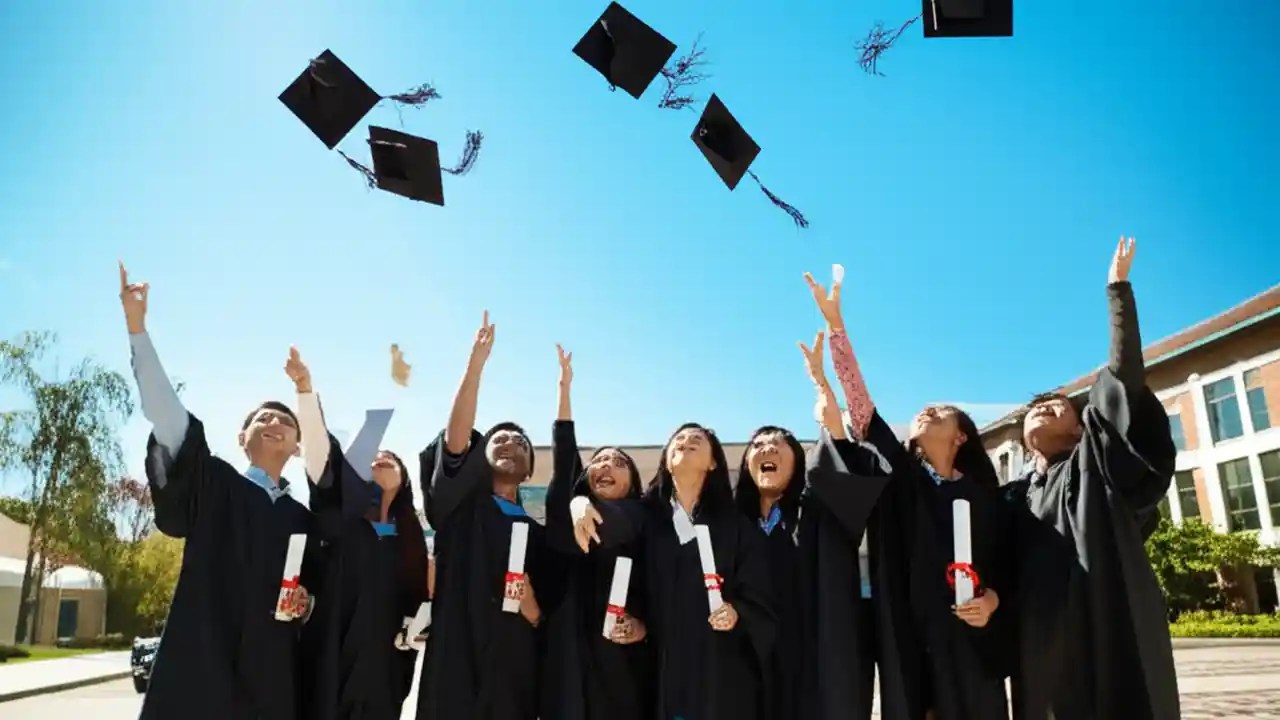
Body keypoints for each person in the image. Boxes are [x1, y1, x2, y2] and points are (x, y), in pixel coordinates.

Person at [803, 266, 1013, 720]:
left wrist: (992, 600)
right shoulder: (903, 478)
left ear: (961, 437)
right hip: (909, 635)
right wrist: (837, 329)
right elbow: (861, 409)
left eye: (938, 412)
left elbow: (1005, 565)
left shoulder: (986, 496)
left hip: (970, 640)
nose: (924, 412)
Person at [118, 262, 316, 720]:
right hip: (200, 674)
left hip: (270, 682)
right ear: (240, 437)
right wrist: (137, 330)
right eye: (261, 418)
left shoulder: (303, 519)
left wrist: (306, 602)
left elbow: (320, 593)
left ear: (297, 444)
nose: (274, 423)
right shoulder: (216, 486)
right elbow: (169, 418)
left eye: (286, 421)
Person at [1005, 238, 1178, 720]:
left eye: (1057, 405)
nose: (1043, 408)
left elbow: (1124, 379)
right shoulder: (1011, 497)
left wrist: (1117, 292)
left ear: (1084, 427)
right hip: (1039, 650)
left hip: (1105, 626)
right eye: (1034, 408)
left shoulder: (1094, 465)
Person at [733, 347, 891, 719]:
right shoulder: (731, 525)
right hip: (747, 666)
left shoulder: (818, 510)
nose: (766, 448)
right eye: (757, 445)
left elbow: (839, 460)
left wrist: (823, 386)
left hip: (815, 662)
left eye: (777, 443)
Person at [288, 345, 429, 720]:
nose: (381, 457)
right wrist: (305, 390)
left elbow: (418, 606)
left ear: (404, 480)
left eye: (392, 457)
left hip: (383, 678)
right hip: (327, 670)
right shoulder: (338, 519)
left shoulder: (411, 541)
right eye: (374, 456)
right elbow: (320, 456)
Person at [415, 311, 544, 720]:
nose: (508, 442)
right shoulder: (460, 509)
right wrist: (475, 365)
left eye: (519, 441)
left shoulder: (538, 535)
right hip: (456, 668)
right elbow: (455, 441)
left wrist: (533, 609)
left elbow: (551, 613)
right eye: (498, 439)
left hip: (514, 675)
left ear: (531, 468)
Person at [540, 344, 653, 720]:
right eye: (599, 460)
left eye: (618, 463)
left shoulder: (641, 519)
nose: (606, 465)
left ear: (633, 482)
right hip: (567, 661)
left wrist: (642, 625)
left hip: (619, 662)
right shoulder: (566, 520)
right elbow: (563, 457)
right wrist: (564, 389)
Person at [641, 421, 777, 720]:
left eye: (697, 439)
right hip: (661, 666)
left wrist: (738, 610)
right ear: (665, 459)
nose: (686, 440)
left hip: (719, 669)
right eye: (679, 438)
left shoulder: (736, 527)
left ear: (714, 462)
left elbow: (760, 591)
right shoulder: (646, 520)